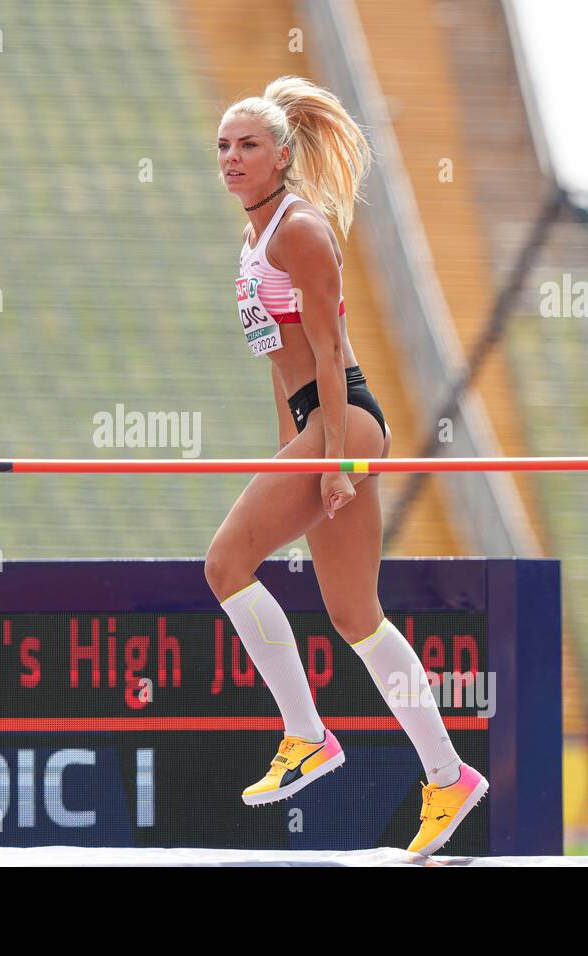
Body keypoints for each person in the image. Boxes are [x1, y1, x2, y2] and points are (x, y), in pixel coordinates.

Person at [208, 75, 487, 857]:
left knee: (226, 563)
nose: (232, 157)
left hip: (346, 423)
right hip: (318, 427)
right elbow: (279, 361)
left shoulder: (299, 229)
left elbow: (330, 352)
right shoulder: (253, 237)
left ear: (282, 155)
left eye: (248, 145)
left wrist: (331, 459)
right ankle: (448, 776)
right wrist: (293, 447)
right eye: (224, 146)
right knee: (356, 616)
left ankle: (306, 734)